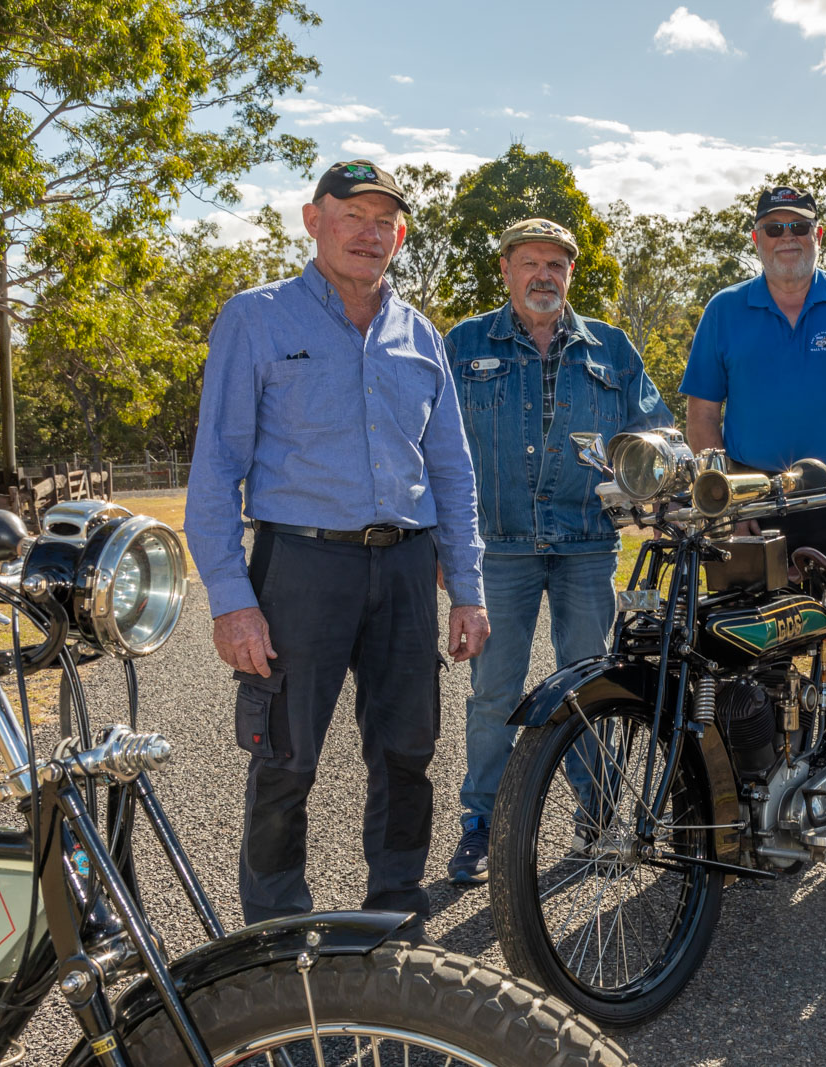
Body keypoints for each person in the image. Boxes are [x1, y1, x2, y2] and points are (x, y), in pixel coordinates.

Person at [186, 158, 491, 934]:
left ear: (400, 234)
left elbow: (452, 469)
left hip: (403, 565)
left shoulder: (420, 335)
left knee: (407, 753)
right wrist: (232, 602)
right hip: (300, 568)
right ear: (311, 219)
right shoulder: (256, 319)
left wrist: (468, 586)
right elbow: (217, 470)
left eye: (383, 219)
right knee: (285, 761)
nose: (368, 232)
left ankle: (394, 912)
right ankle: (275, 929)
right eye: (350, 214)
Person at [442, 218, 671, 883]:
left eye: (556, 265)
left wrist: (650, 491)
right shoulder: (462, 345)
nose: (543, 275)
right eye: (530, 262)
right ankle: (482, 827)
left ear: (570, 274)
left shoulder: (612, 349)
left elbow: (653, 431)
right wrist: (444, 542)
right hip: (499, 548)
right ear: (507, 270)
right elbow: (431, 444)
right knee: (494, 693)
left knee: (591, 687)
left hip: (587, 546)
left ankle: (597, 822)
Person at [681, 185, 826, 554]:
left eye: (799, 228)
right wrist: (728, 501)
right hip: (752, 505)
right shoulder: (723, 310)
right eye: (774, 229)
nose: (787, 237)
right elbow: (703, 415)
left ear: (817, 236)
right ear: (757, 240)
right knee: (749, 613)